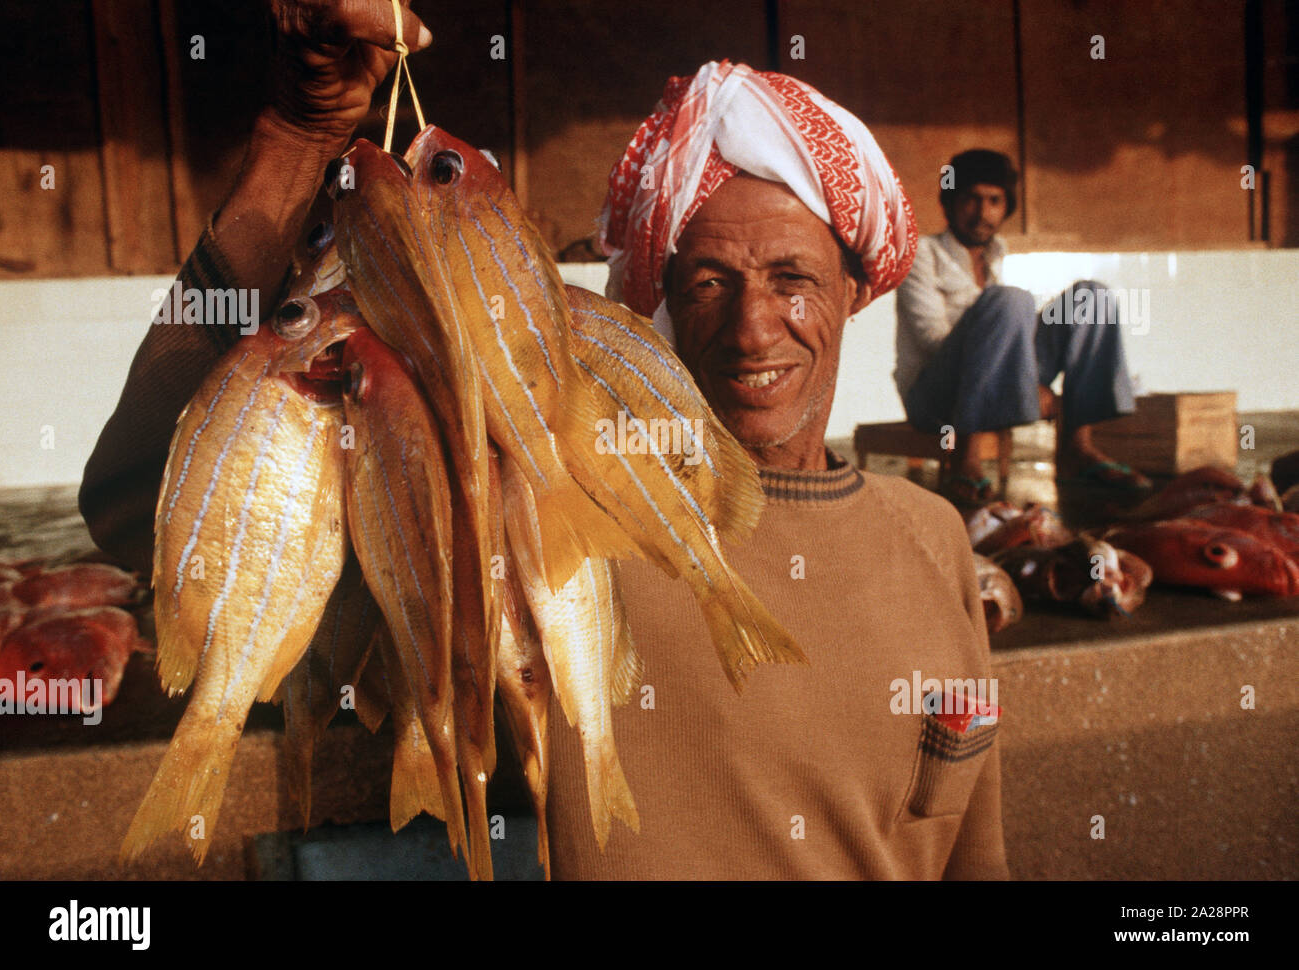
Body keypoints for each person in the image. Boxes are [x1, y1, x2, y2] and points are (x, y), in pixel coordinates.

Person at [80, 5, 1009, 880]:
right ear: (658, 299)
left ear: (856, 287)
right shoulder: (550, 494)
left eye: (793, 278)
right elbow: (138, 504)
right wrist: (296, 141)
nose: (754, 328)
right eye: (709, 284)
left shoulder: (935, 539)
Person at [894, 148, 1150, 505]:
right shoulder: (921, 253)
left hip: (994, 381)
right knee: (1010, 300)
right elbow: (932, 340)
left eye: (994, 201)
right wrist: (1025, 379)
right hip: (934, 397)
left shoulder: (996, 253)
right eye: (971, 199)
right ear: (949, 202)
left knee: (1091, 297)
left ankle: (1077, 450)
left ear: (1006, 207)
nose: (982, 213)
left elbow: (1007, 336)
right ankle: (965, 460)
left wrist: (1021, 373)